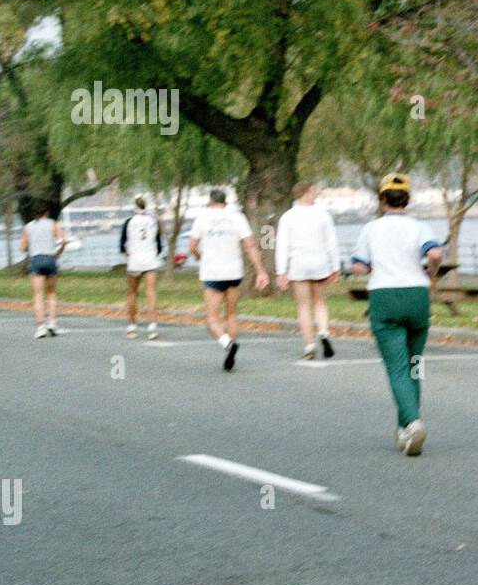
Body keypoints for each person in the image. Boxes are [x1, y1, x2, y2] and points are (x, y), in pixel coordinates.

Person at [350, 174, 443, 455]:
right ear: (408, 199)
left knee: (397, 367)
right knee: (414, 363)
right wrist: (430, 272)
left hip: (385, 296)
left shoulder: (371, 229)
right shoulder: (419, 226)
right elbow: (435, 253)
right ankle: (405, 429)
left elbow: (358, 267)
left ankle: (413, 423)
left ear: (382, 199)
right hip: (417, 294)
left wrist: (370, 267)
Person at [188, 190, 269, 372]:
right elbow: (249, 245)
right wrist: (260, 271)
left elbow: (192, 246)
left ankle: (227, 344)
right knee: (231, 314)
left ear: (210, 202)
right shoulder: (237, 217)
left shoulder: (202, 218)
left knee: (212, 318)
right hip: (234, 272)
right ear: (225, 202)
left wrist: (200, 256)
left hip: (212, 272)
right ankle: (231, 347)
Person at [276, 182, 341, 360]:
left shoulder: (288, 217)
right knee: (320, 301)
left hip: (298, 263)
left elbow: (282, 245)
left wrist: (281, 271)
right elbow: (331, 242)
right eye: (314, 191)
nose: (316, 194)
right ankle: (323, 331)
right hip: (319, 262)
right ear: (307, 192)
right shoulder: (323, 215)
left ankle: (309, 345)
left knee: (303, 306)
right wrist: (335, 267)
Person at [120, 196, 163, 340]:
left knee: (132, 293)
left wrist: (129, 255)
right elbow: (159, 245)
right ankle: (152, 328)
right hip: (150, 259)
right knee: (151, 293)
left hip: (134, 260)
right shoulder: (153, 222)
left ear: (134, 208)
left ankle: (132, 327)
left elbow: (122, 245)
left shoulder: (129, 222)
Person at [20, 203, 66, 339]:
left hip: (36, 259)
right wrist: (58, 253)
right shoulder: (53, 224)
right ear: (46, 212)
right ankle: (52, 322)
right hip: (50, 258)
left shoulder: (28, 227)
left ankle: (40, 326)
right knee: (51, 293)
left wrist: (31, 251)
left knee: (38, 294)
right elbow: (64, 241)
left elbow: (22, 247)